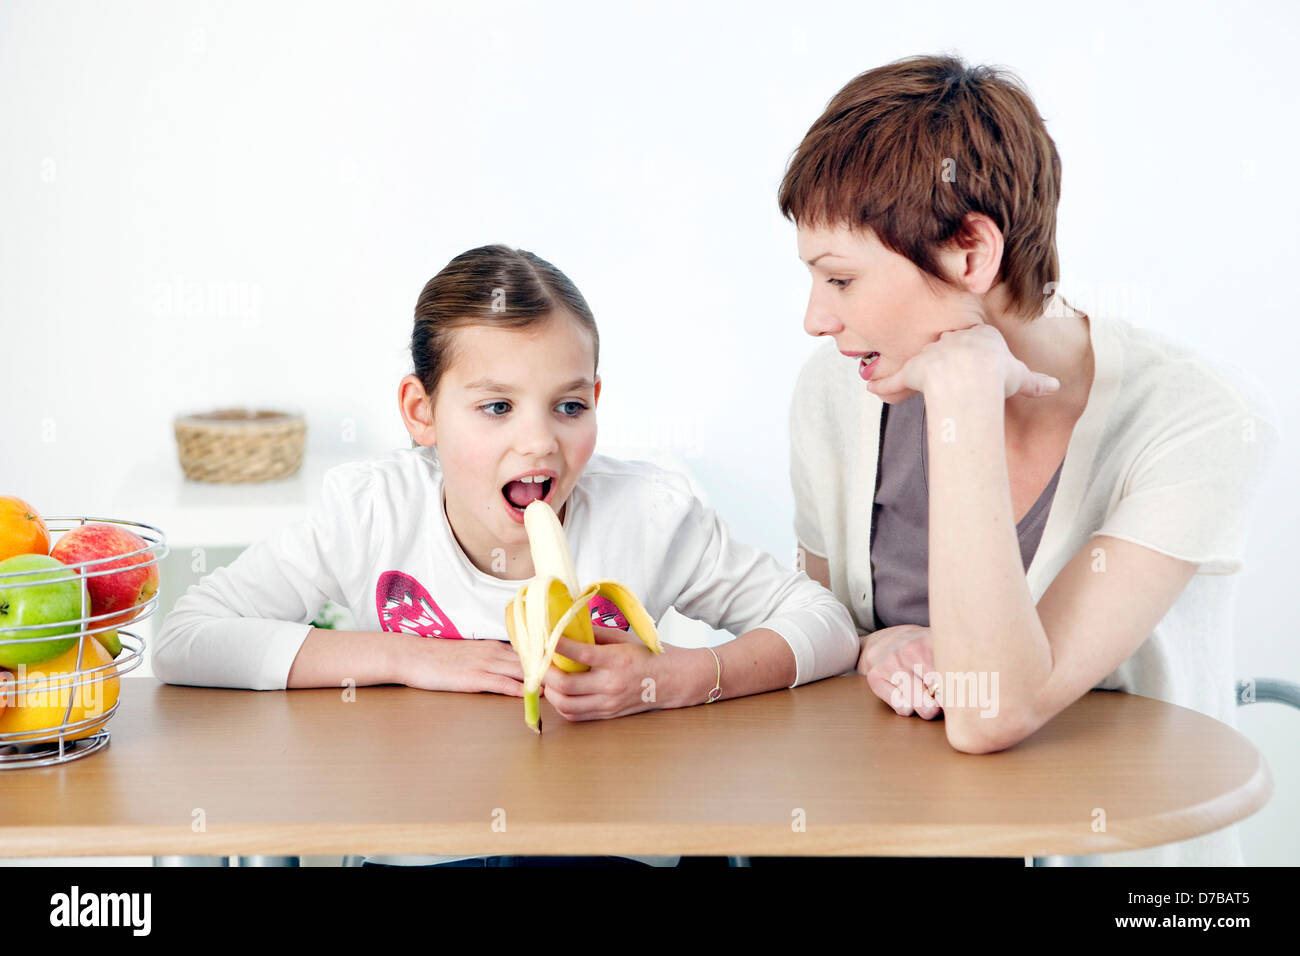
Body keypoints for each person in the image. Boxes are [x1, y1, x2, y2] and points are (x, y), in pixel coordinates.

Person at [152, 243, 859, 866]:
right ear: (421, 412)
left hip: (602, 852)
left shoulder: (648, 513)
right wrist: (408, 656)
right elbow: (187, 639)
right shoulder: (371, 511)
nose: (539, 443)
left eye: (569, 406)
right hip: (420, 857)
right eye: (497, 408)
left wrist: (678, 676)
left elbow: (824, 625)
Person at [779, 54, 1280, 866]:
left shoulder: (1200, 421)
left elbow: (992, 712)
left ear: (971, 251)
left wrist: (968, 401)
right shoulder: (838, 395)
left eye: (840, 278)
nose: (814, 319)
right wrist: (876, 645)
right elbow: (816, 628)